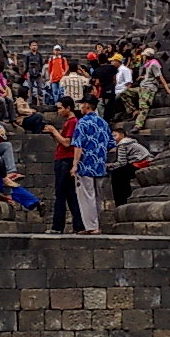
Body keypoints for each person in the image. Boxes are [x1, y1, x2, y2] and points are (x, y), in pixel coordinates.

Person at [70, 95, 115, 234]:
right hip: (99, 164)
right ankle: (94, 224)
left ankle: (91, 226)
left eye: (82, 104)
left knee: (86, 196)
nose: (80, 107)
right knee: (97, 196)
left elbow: (78, 145)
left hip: (85, 164)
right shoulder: (103, 123)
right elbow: (111, 144)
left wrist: (74, 164)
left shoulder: (82, 123)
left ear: (87, 106)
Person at [42, 96, 84, 234]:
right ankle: (78, 225)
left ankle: (57, 226)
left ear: (68, 108)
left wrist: (54, 131)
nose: (58, 111)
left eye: (60, 108)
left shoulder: (72, 122)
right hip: (64, 158)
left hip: (65, 160)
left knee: (61, 194)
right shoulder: (69, 122)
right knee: (70, 194)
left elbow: (67, 142)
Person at [108, 127, 151, 207]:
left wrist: (109, 166)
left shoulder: (122, 144)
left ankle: (121, 202)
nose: (113, 138)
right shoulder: (130, 142)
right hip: (144, 161)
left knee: (117, 174)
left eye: (115, 136)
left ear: (122, 135)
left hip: (140, 162)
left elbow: (122, 162)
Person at [23, 41, 46, 106]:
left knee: (40, 88)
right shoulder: (27, 55)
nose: (34, 47)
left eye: (35, 45)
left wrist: (41, 72)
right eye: (33, 45)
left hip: (38, 73)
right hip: (30, 73)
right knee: (30, 89)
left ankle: (41, 103)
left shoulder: (39, 55)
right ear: (30, 47)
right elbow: (26, 64)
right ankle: (29, 103)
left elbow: (41, 64)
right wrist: (26, 72)